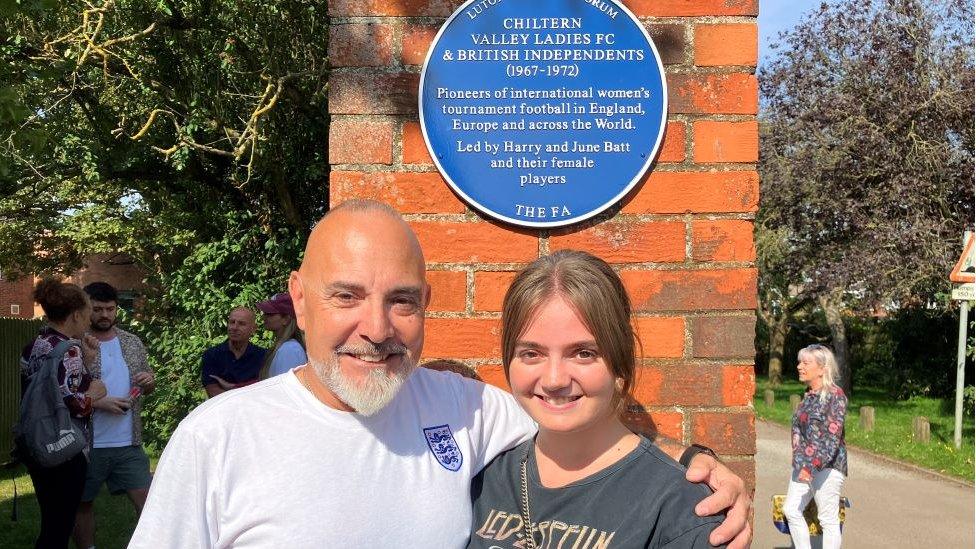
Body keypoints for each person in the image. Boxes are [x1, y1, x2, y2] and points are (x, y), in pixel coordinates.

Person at [130, 199, 751, 548]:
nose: (376, 328)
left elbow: (579, 425)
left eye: (401, 300)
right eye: (346, 296)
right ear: (299, 298)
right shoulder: (217, 439)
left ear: (425, 303)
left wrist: (690, 462)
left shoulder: (466, 412)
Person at [469, 250, 724, 548]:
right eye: (531, 354)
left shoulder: (680, 506)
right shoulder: (484, 478)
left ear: (618, 361)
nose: (554, 380)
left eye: (583, 353)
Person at [19, 279, 106, 549]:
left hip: (37, 440)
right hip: (64, 445)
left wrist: (86, 364)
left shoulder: (35, 345)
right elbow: (73, 402)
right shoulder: (68, 349)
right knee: (60, 526)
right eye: (90, 310)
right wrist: (95, 394)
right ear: (76, 314)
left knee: (51, 519)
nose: (91, 317)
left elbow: (45, 392)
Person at [73, 282, 156, 549]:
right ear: (86, 309)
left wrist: (148, 380)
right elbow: (64, 391)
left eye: (110, 309)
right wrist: (99, 403)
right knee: (82, 503)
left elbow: (150, 384)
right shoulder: (75, 343)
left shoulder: (132, 342)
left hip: (128, 441)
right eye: (98, 309)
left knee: (149, 502)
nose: (105, 315)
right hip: (87, 444)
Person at [783, 344, 848, 549]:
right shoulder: (808, 396)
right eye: (799, 362)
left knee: (827, 518)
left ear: (822, 369)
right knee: (791, 509)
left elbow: (831, 438)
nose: (799, 366)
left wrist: (810, 467)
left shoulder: (835, 396)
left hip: (827, 467)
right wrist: (800, 464)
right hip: (803, 466)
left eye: (805, 362)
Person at [201, 307, 266, 397]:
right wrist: (247, 392)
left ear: (253, 329)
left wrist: (231, 388)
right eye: (232, 322)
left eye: (241, 324)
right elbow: (213, 393)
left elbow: (264, 390)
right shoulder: (212, 355)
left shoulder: (263, 356)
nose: (235, 327)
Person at [256, 292, 307, 378]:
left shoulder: (290, 349)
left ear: (286, 319)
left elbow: (285, 390)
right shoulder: (286, 347)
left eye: (270, 314)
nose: (264, 317)